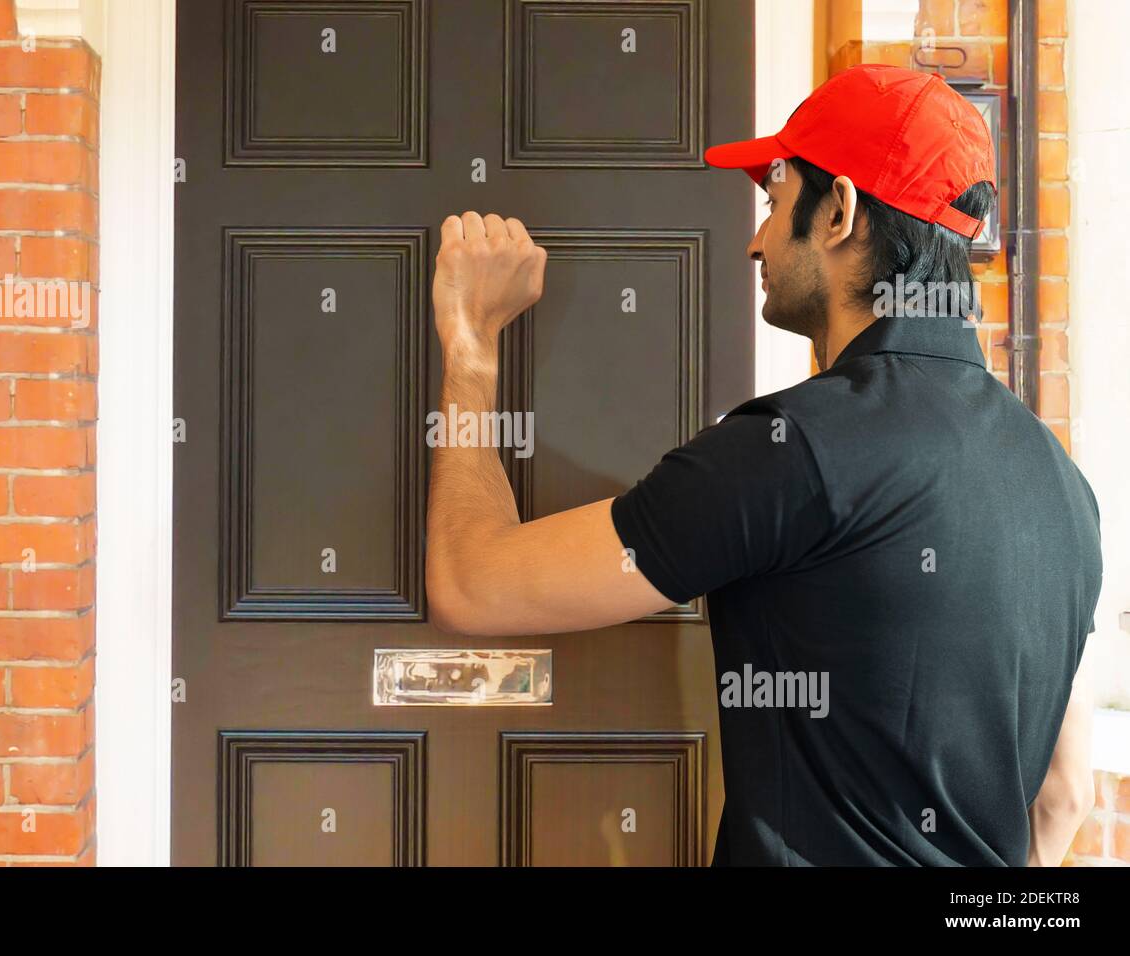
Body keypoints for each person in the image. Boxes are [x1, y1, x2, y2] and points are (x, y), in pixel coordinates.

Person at [424, 64, 1101, 866]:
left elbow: (470, 583)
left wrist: (472, 342)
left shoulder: (795, 449)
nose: (755, 240)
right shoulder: (1060, 482)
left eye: (775, 204)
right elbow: (1063, 798)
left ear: (839, 210)